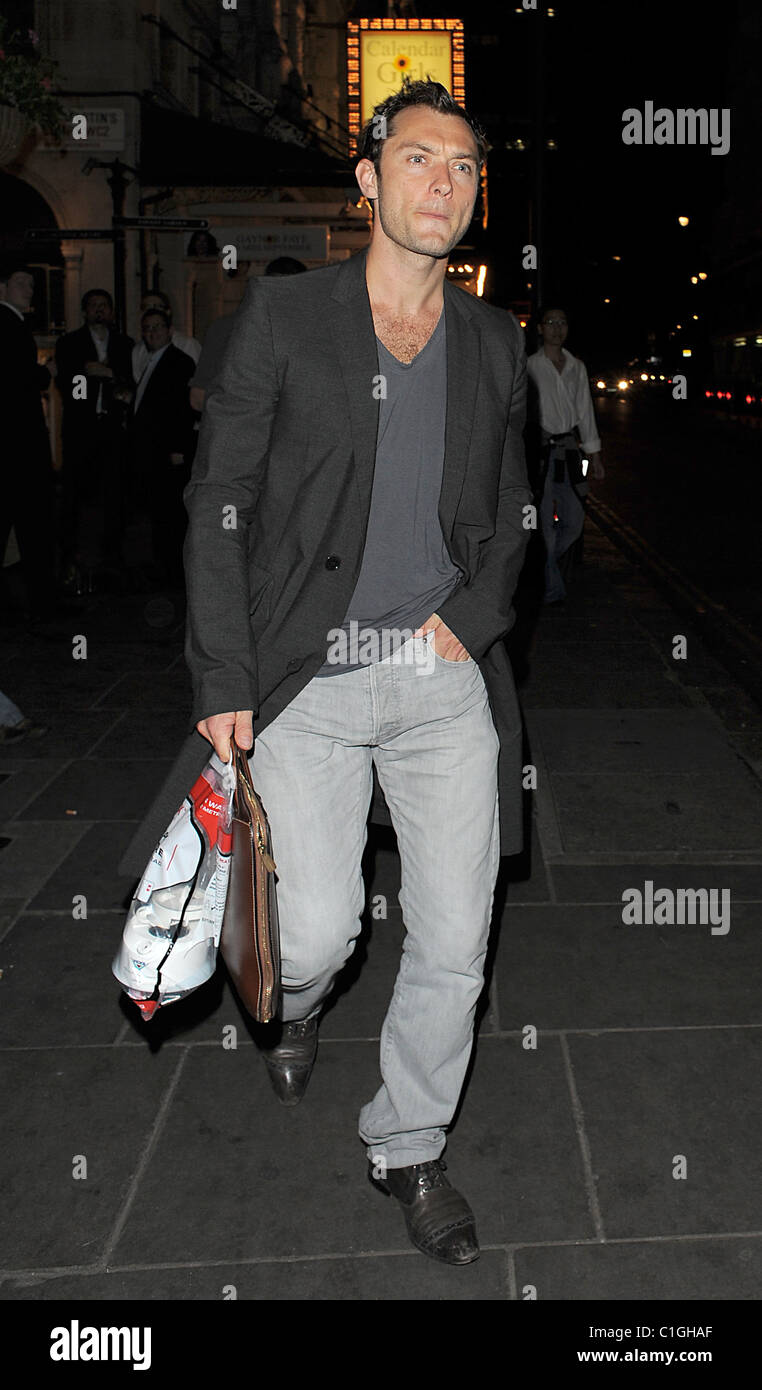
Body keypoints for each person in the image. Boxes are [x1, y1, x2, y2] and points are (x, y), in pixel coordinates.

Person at [119, 78, 532, 1265]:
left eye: (462, 167)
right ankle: (295, 1009)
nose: (442, 184)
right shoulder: (288, 319)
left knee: (457, 938)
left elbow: (509, 507)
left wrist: (478, 610)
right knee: (312, 936)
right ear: (368, 179)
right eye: (418, 160)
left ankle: (408, 1144)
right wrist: (223, 672)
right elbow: (220, 499)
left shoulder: (495, 340)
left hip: (440, 675)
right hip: (305, 674)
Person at [55, 289, 134, 585]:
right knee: (74, 495)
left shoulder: (125, 344)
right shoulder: (70, 343)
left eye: (104, 306)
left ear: (111, 312)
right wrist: (87, 379)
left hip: (112, 429)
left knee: (114, 495)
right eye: (93, 306)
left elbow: (129, 381)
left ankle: (111, 557)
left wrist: (108, 374)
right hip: (81, 429)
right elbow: (68, 383)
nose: (99, 311)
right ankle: (69, 557)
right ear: (85, 311)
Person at [527, 306, 604, 603]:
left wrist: (595, 455)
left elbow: (585, 411)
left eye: (562, 322)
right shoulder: (530, 366)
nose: (557, 328)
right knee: (544, 522)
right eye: (551, 322)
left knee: (573, 521)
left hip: (570, 451)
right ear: (540, 328)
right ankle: (551, 588)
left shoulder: (577, 367)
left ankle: (542, 566)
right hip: (541, 451)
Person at [0, 260, 58, 622]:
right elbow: (17, 379)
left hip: (13, 448)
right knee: (32, 525)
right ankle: (41, 606)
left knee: (26, 525)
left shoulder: (13, 324)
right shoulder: (8, 325)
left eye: (32, 285)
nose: (30, 290)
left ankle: (36, 603)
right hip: (17, 448)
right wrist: (45, 373)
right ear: (2, 288)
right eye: (22, 283)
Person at [129, 308, 197, 586]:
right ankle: (165, 567)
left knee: (171, 515)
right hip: (153, 452)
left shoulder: (179, 362)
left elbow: (183, 409)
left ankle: (174, 573)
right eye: (147, 328)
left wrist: (180, 448)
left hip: (169, 452)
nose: (152, 332)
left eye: (158, 327)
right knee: (160, 513)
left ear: (170, 331)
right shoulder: (151, 360)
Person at [131, 291, 201, 386]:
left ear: (168, 312)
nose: (151, 310)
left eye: (156, 306)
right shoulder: (138, 350)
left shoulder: (187, 344)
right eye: (146, 307)